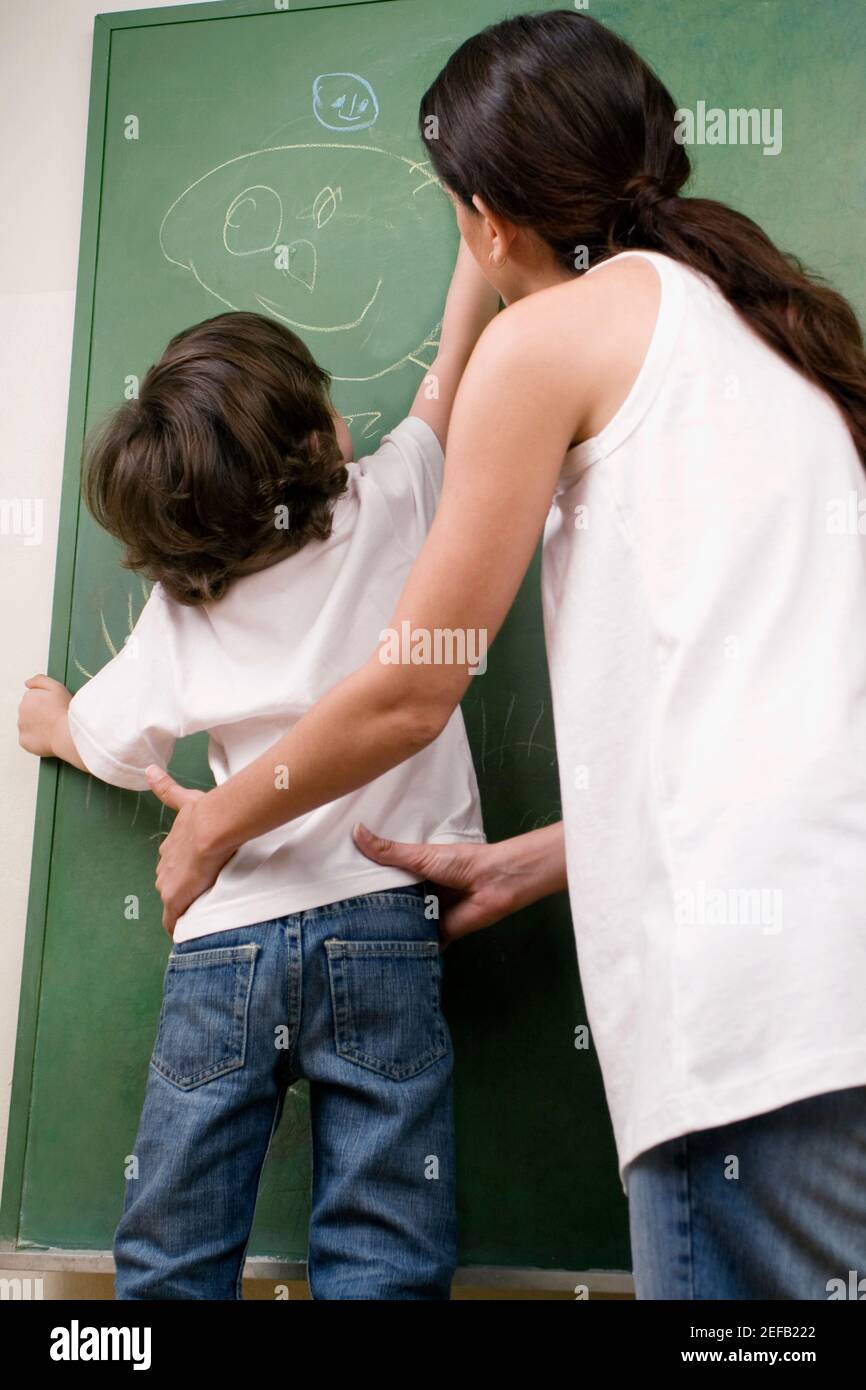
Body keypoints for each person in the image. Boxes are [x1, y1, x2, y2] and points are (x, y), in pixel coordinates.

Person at [141, 11, 866, 1300]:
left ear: (483, 217)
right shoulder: (765, 340)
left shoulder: (551, 342)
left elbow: (417, 684)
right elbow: (786, 719)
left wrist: (209, 831)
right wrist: (546, 853)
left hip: (748, 1010)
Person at [17, 242, 499, 1299]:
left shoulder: (181, 607)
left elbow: (105, 741)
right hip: (381, 924)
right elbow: (446, 380)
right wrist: (470, 252)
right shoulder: (397, 498)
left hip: (222, 948)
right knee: (384, 1238)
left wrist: (50, 721)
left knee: (174, 1239)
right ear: (319, 437)